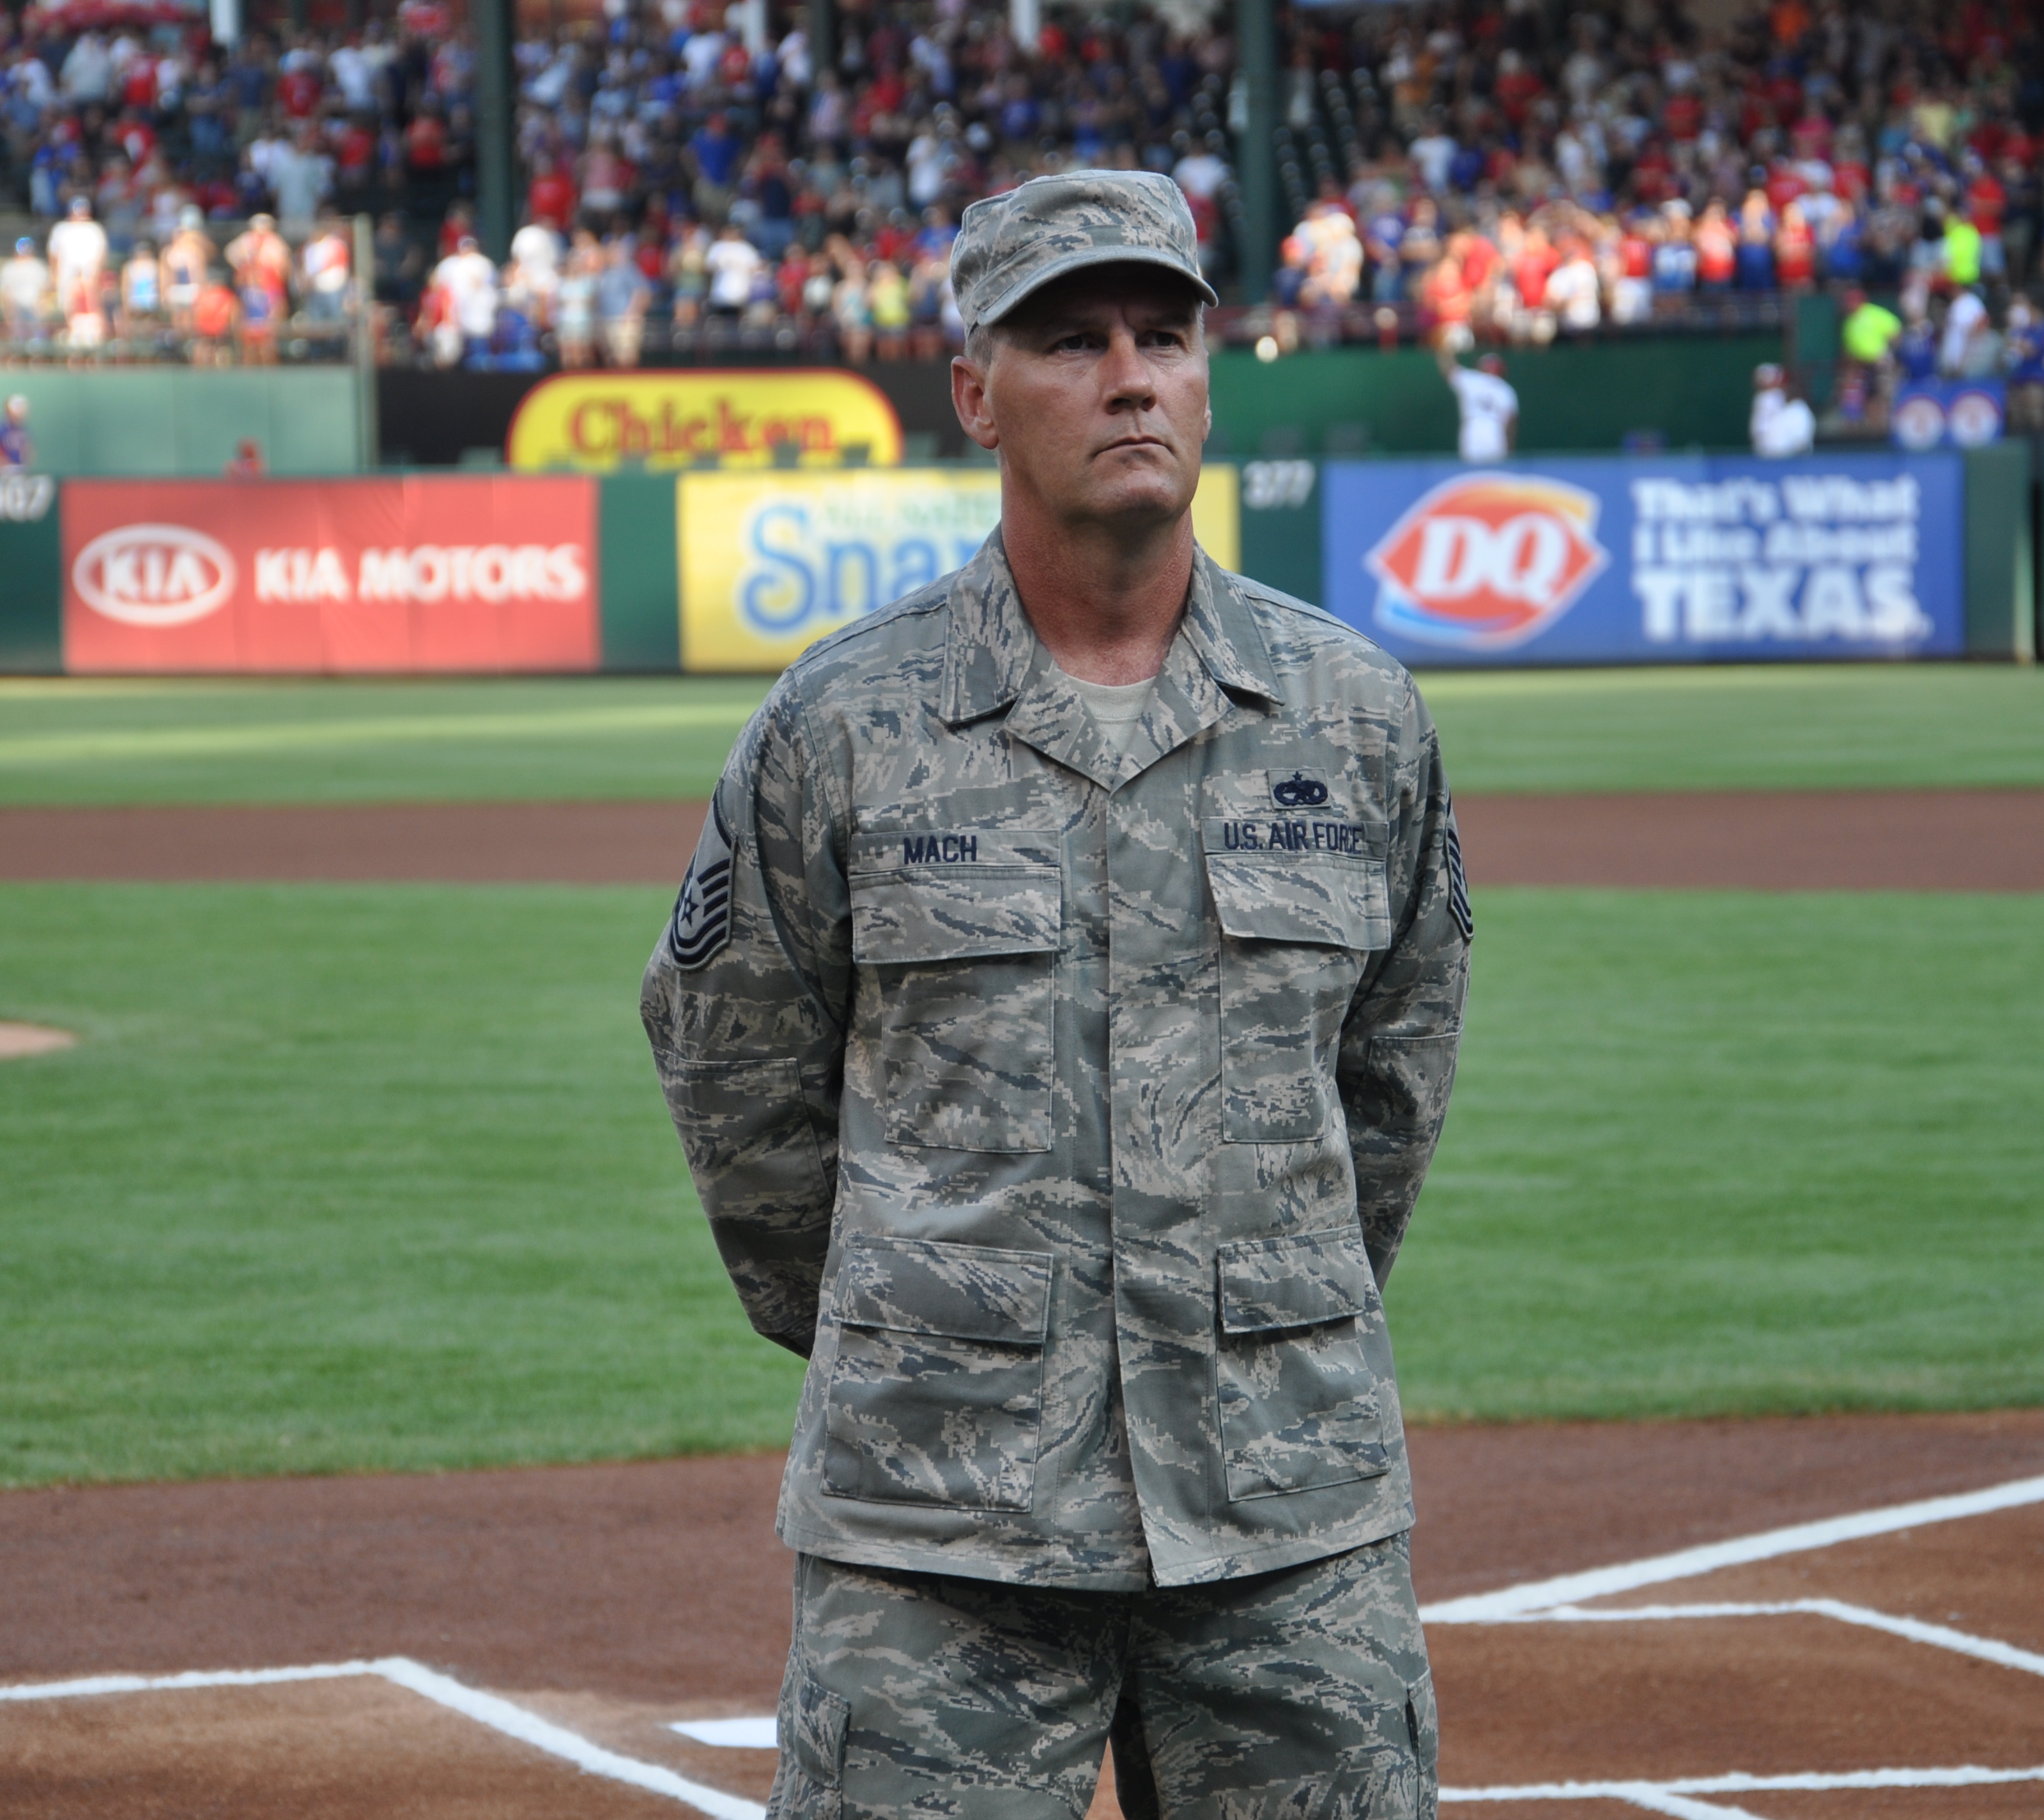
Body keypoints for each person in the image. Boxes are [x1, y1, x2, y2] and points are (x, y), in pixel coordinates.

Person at [642, 167, 1468, 1820]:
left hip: (1284, 1516)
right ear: (974, 393)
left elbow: (1393, 1071)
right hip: (940, 1524)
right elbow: (735, 1069)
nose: (1129, 376)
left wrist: (1270, 1308)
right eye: (1071, 341)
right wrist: (914, 1322)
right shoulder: (845, 724)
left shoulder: (1354, 717)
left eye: (1164, 335)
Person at [1438, 340, 1518, 462]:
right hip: (1495, 430)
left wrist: (1444, 349)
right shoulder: (1506, 389)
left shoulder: (1472, 379)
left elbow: (1449, 369)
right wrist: (1509, 449)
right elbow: (1511, 424)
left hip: (1473, 428)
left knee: (1472, 471)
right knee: (1496, 472)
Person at [1749, 360, 1815, 456]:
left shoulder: (1799, 408)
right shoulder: (1766, 399)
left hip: (1796, 461)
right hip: (1768, 459)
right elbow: (1759, 434)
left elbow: (1802, 443)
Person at [0, 395, 33, 475]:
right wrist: (1, 463)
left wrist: (25, 463)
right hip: (1, 473)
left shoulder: (22, 429)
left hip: (18, 470)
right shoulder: (0, 427)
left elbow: (28, 448)